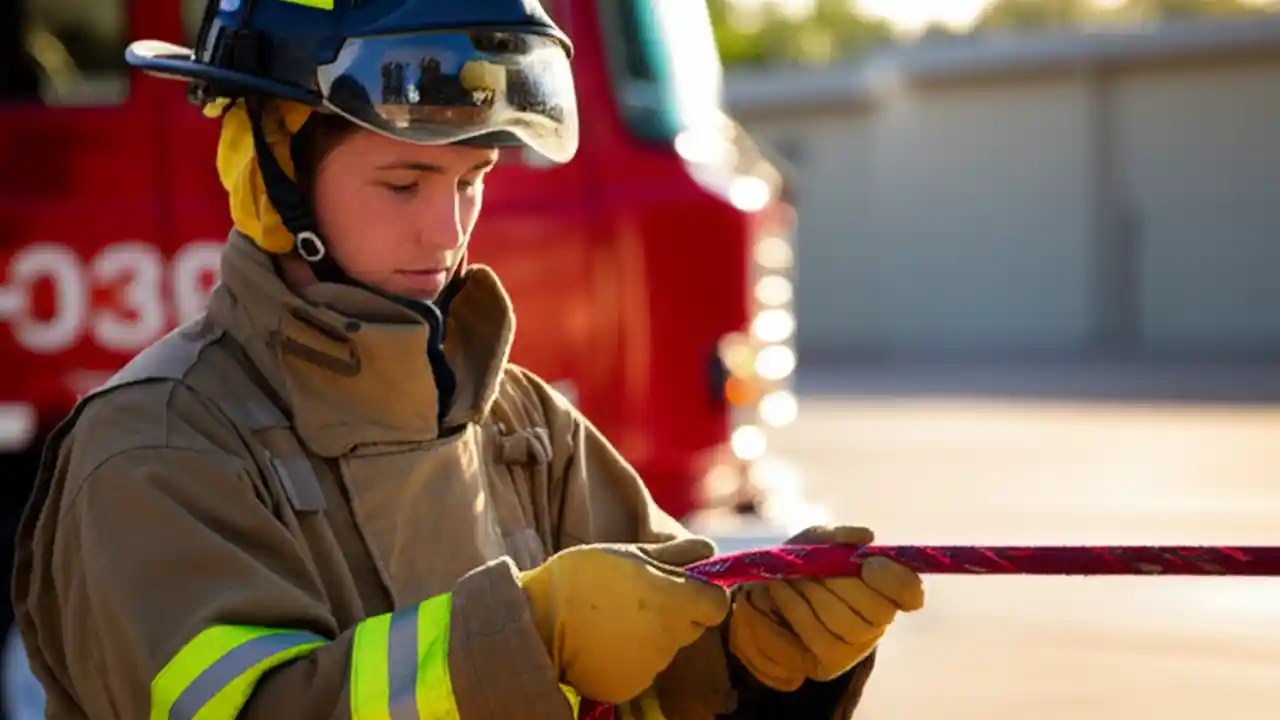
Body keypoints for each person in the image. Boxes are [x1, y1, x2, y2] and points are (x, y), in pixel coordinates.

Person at [11, 1, 925, 718]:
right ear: (270, 172)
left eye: (472, 182)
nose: (446, 232)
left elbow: (659, 675)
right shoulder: (157, 450)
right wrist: (525, 640)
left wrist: (757, 663)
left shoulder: (527, 424)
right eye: (403, 182)